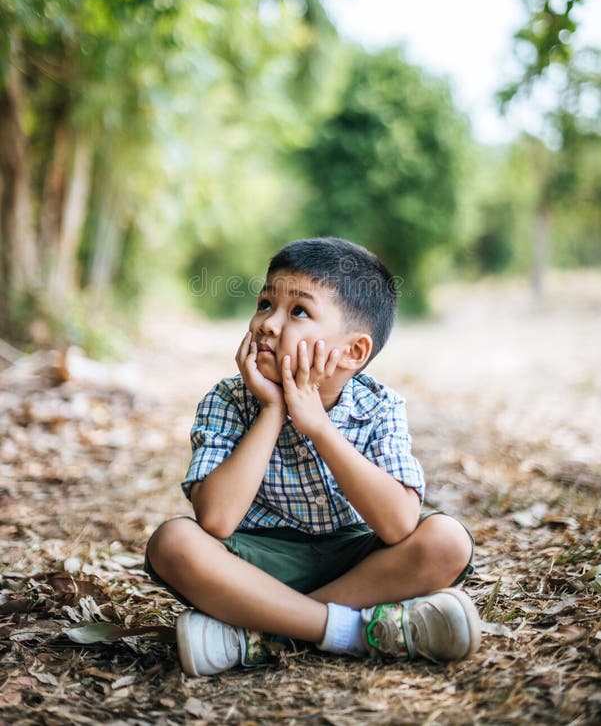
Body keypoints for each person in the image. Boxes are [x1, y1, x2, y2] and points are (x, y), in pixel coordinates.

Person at [145, 237, 481, 675]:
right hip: (258, 565)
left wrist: (319, 428)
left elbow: (398, 524)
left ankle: (260, 632)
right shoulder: (230, 399)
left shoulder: (379, 407)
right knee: (174, 544)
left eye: (298, 311)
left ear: (353, 352)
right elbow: (217, 521)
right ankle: (356, 632)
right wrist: (272, 411)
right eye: (265, 303)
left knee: (446, 540)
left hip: (359, 565)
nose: (267, 323)